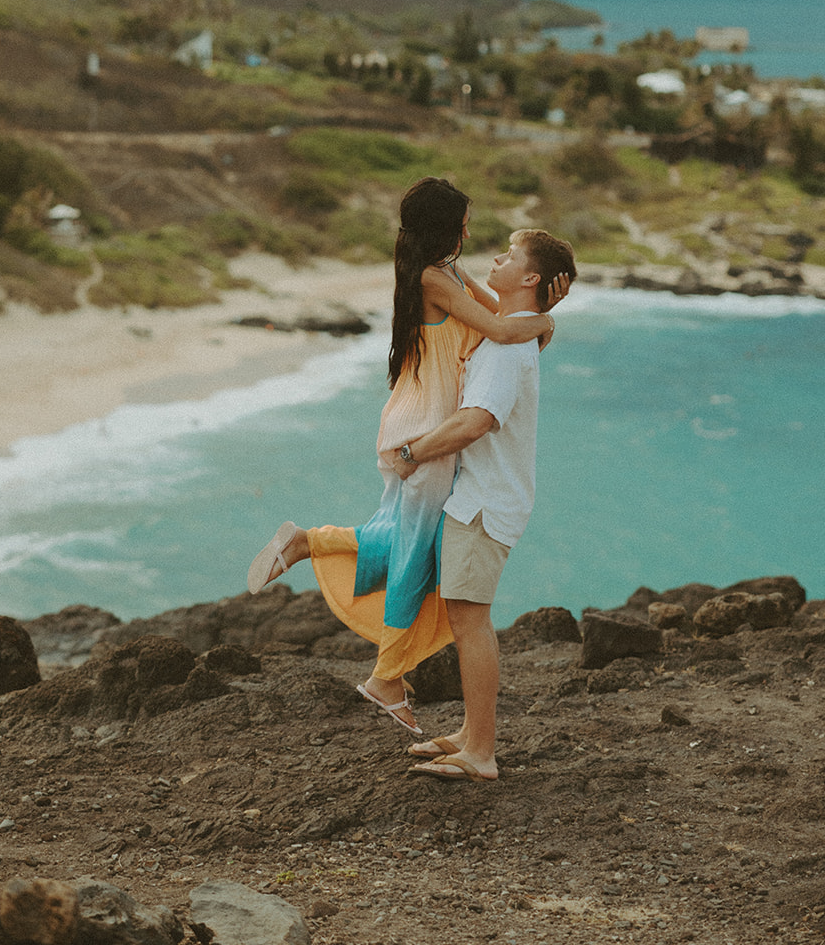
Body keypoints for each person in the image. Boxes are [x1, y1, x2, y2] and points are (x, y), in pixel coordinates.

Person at [246, 178, 563, 736]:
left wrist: (533, 321)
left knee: (405, 536)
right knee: (416, 547)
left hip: (420, 419)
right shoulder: (432, 278)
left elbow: (504, 326)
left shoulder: (448, 272)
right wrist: (547, 319)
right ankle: (386, 677)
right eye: (464, 223)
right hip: (425, 428)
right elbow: (499, 328)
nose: (470, 232)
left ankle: (305, 542)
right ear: (446, 228)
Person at [389, 227, 577, 780]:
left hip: (483, 503)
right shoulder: (517, 332)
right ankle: (472, 734)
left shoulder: (504, 344)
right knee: (464, 617)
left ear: (531, 278)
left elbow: (477, 421)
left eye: (509, 256)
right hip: (488, 498)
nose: (495, 258)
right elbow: (485, 301)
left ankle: (482, 753)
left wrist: (411, 451)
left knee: (471, 622)